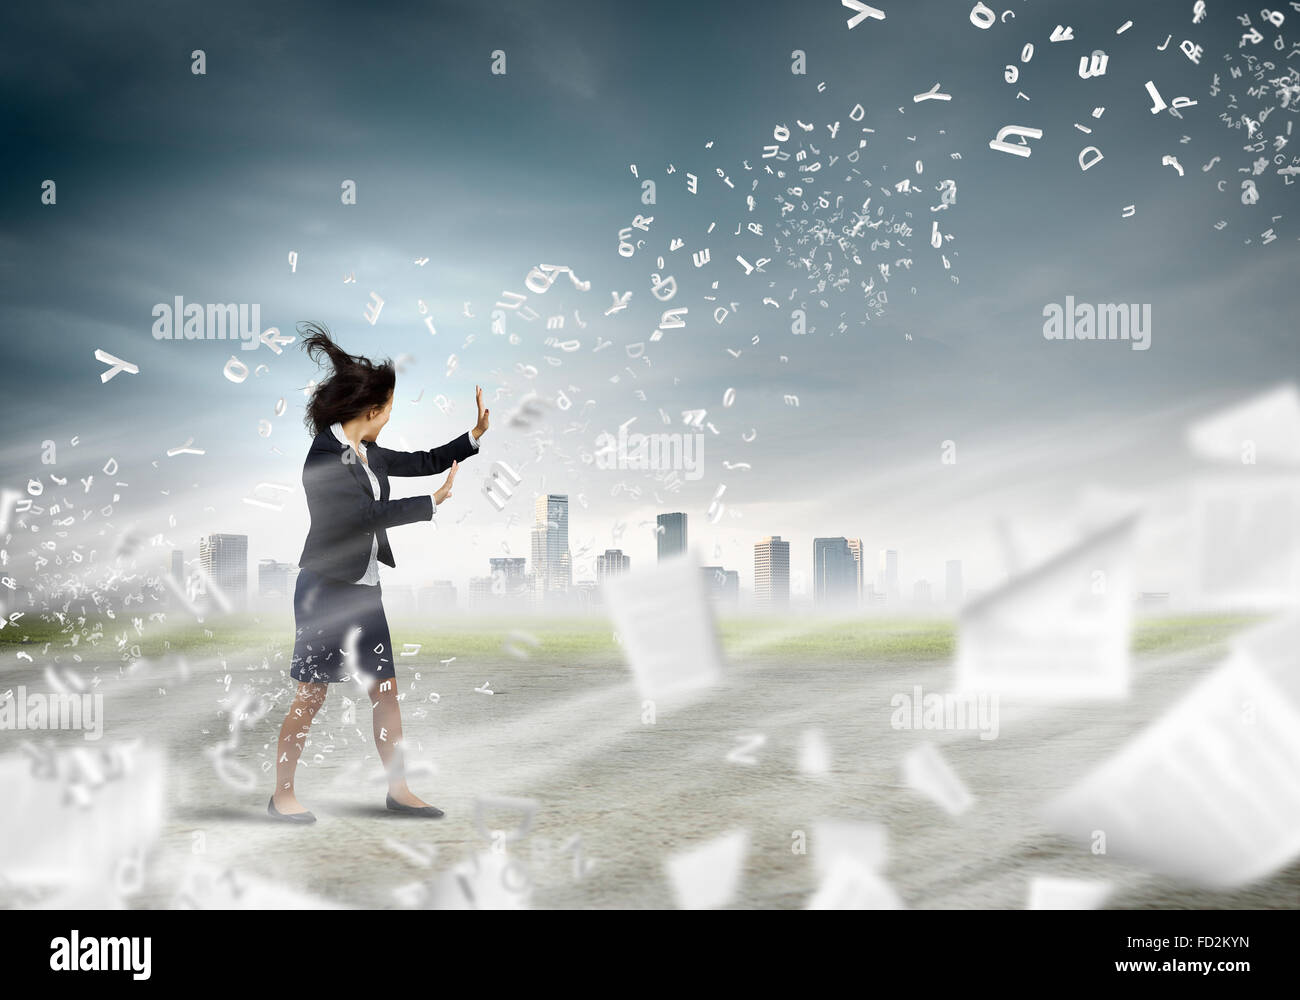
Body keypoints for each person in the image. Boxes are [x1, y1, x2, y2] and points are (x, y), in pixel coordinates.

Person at [267, 322, 488, 823]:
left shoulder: (366, 452)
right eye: (389, 408)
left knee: (385, 688)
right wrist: (430, 504)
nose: (390, 416)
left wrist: (472, 437)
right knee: (312, 693)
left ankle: (400, 789)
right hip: (324, 589)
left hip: (365, 590)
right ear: (372, 411)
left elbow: (424, 459)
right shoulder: (322, 459)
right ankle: (282, 794)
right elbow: (358, 520)